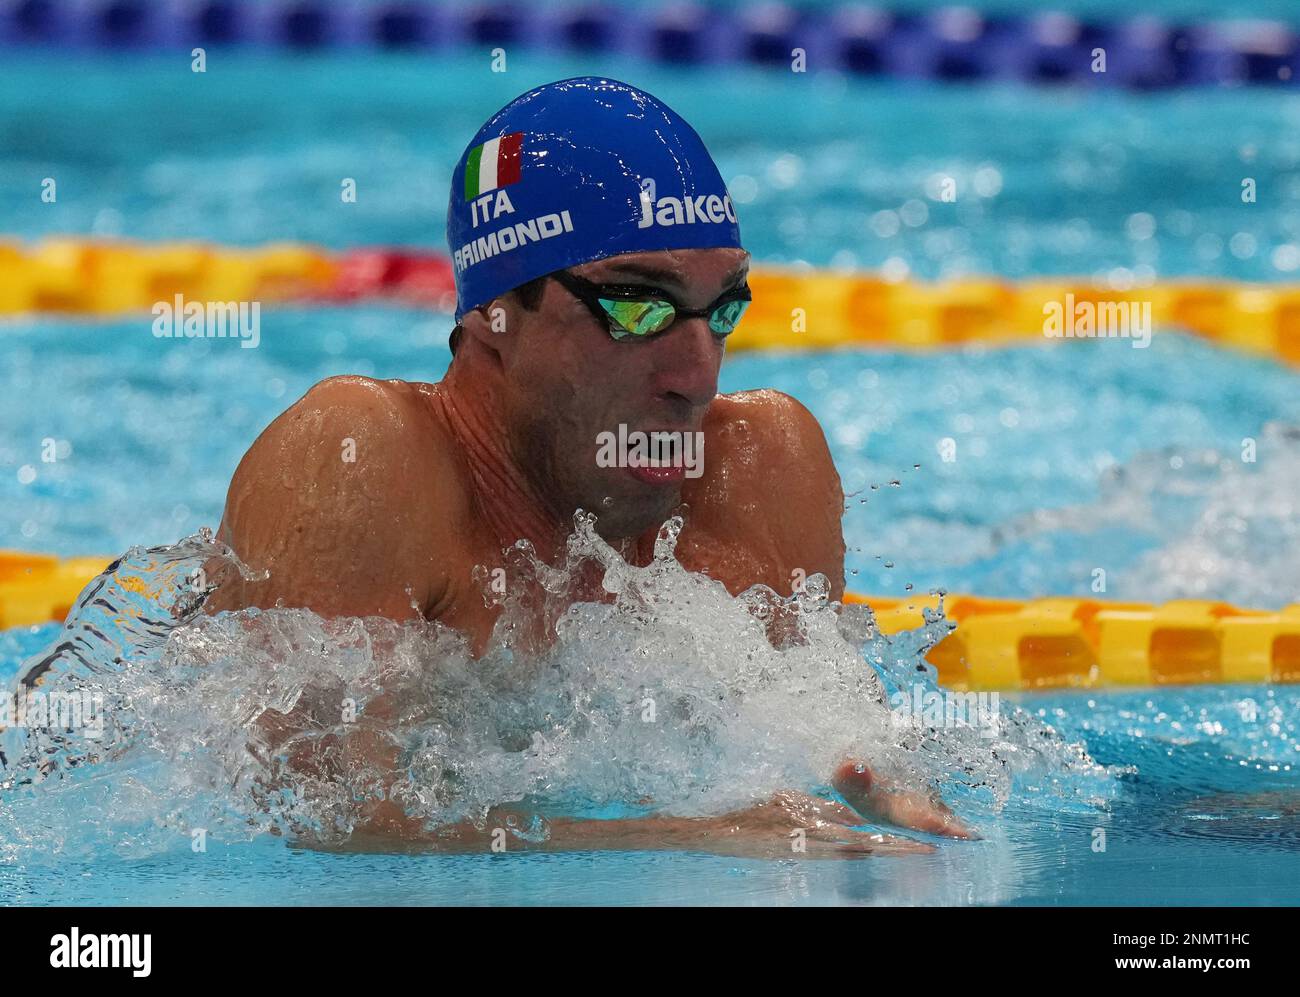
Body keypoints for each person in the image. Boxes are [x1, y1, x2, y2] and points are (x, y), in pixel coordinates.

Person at [209, 77, 968, 855]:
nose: (697, 378)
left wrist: (887, 772)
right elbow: (325, 830)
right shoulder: (363, 461)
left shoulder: (759, 473)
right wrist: (684, 838)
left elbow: (824, 766)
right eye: (637, 305)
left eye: (725, 309)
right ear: (494, 311)